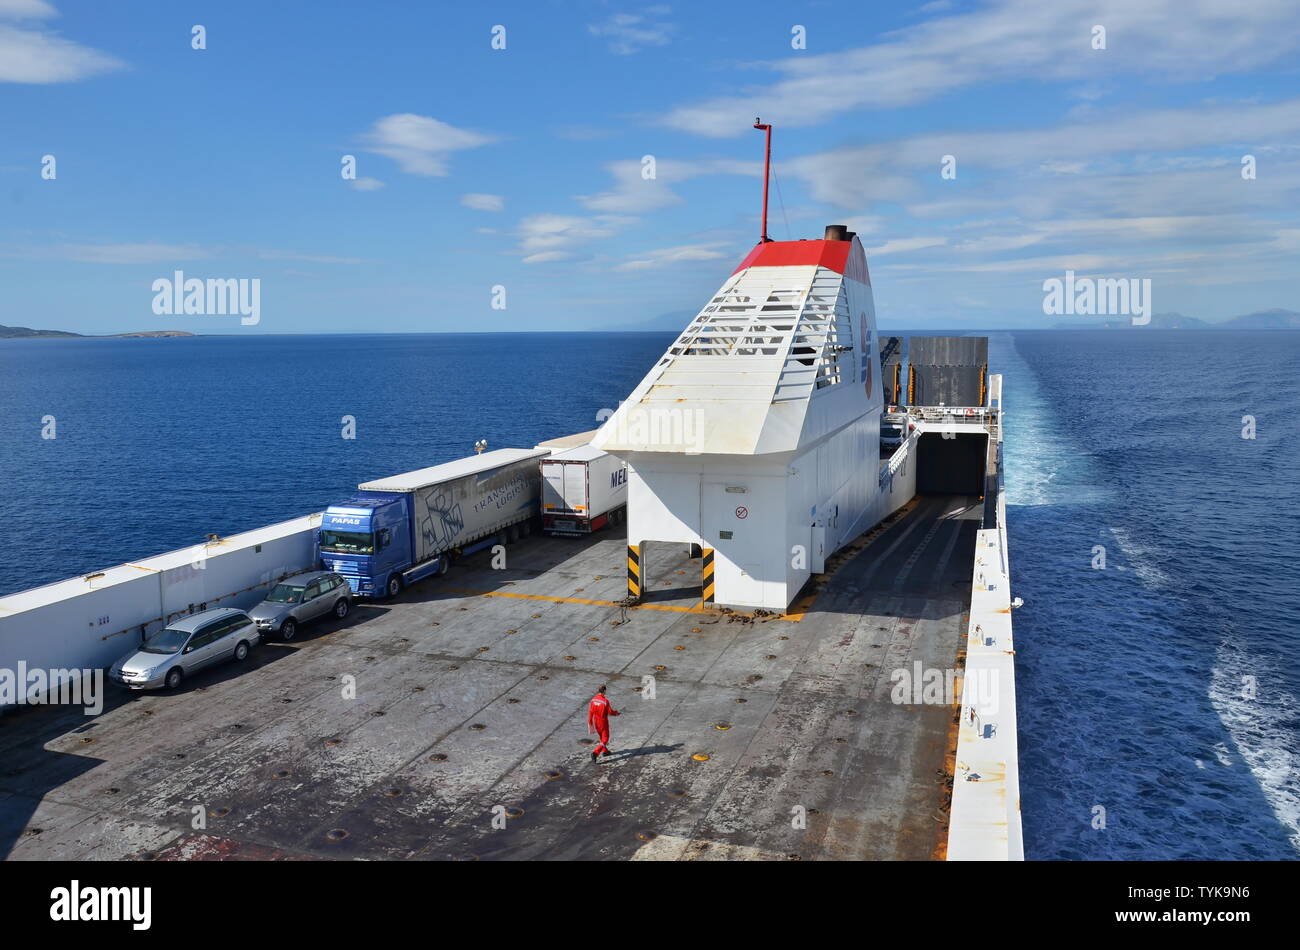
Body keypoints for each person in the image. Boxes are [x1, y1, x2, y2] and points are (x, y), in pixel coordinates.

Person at [587, 684, 620, 763]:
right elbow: (610, 712)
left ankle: (605, 751)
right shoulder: (605, 701)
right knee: (605, 739)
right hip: (603, 722)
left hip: (596, 722)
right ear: (604, 691)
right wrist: (616, 713)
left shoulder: (593, 700)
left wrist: (590, 722)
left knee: (601, 737)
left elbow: (590, 712)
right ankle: (595, 753)